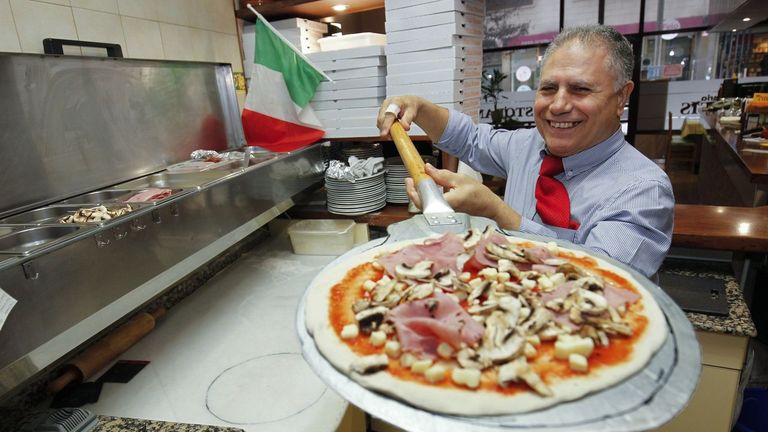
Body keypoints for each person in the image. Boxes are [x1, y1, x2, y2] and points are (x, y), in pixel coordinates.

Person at [377, 24, 674, 278]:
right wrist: (418, 106)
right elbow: (468, 139)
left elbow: (598, 280)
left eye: (580, 89)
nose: (558, 105)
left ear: (622, 96)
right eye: (548, 89)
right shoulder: (528, 145)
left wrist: (496, 213)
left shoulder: (644, 190)